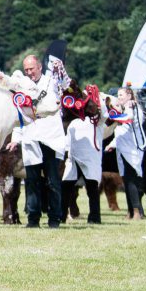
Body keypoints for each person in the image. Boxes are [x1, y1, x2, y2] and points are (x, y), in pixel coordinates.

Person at [8, 53, 67, 228]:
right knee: (32, 181)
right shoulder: (22, 86)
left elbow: (66, 85)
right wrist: (15, 138)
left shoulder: (52, 81)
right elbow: (20, 115)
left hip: (51, 137)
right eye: (26, 69)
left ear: (40, 67)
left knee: (53, 181)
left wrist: (61, 70)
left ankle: (55, 218)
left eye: (31, 69)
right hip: (31, 137)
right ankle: (33, 219)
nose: (29, 73)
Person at [61, 86, 105, 223]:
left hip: (90, 158)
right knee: (66, 187)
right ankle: (61, 215)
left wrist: (97, 100)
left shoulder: (96, 121)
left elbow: (105, 114)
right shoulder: (73, 121)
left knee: (92, 189)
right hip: (73, 158)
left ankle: (95, 217)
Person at [108, 86, 146, 220]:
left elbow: (128, 118)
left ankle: (136, 211)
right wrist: (111, 144)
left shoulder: (132, 108)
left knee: (131, 180)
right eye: (118, 95)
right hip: (123, 149)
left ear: (129, 97)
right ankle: (131, 211)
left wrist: (112, 116)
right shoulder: (124, 109)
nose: (119, 97)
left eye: (121, 95)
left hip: (132, 149)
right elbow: (121, 132)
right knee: (127, 179)